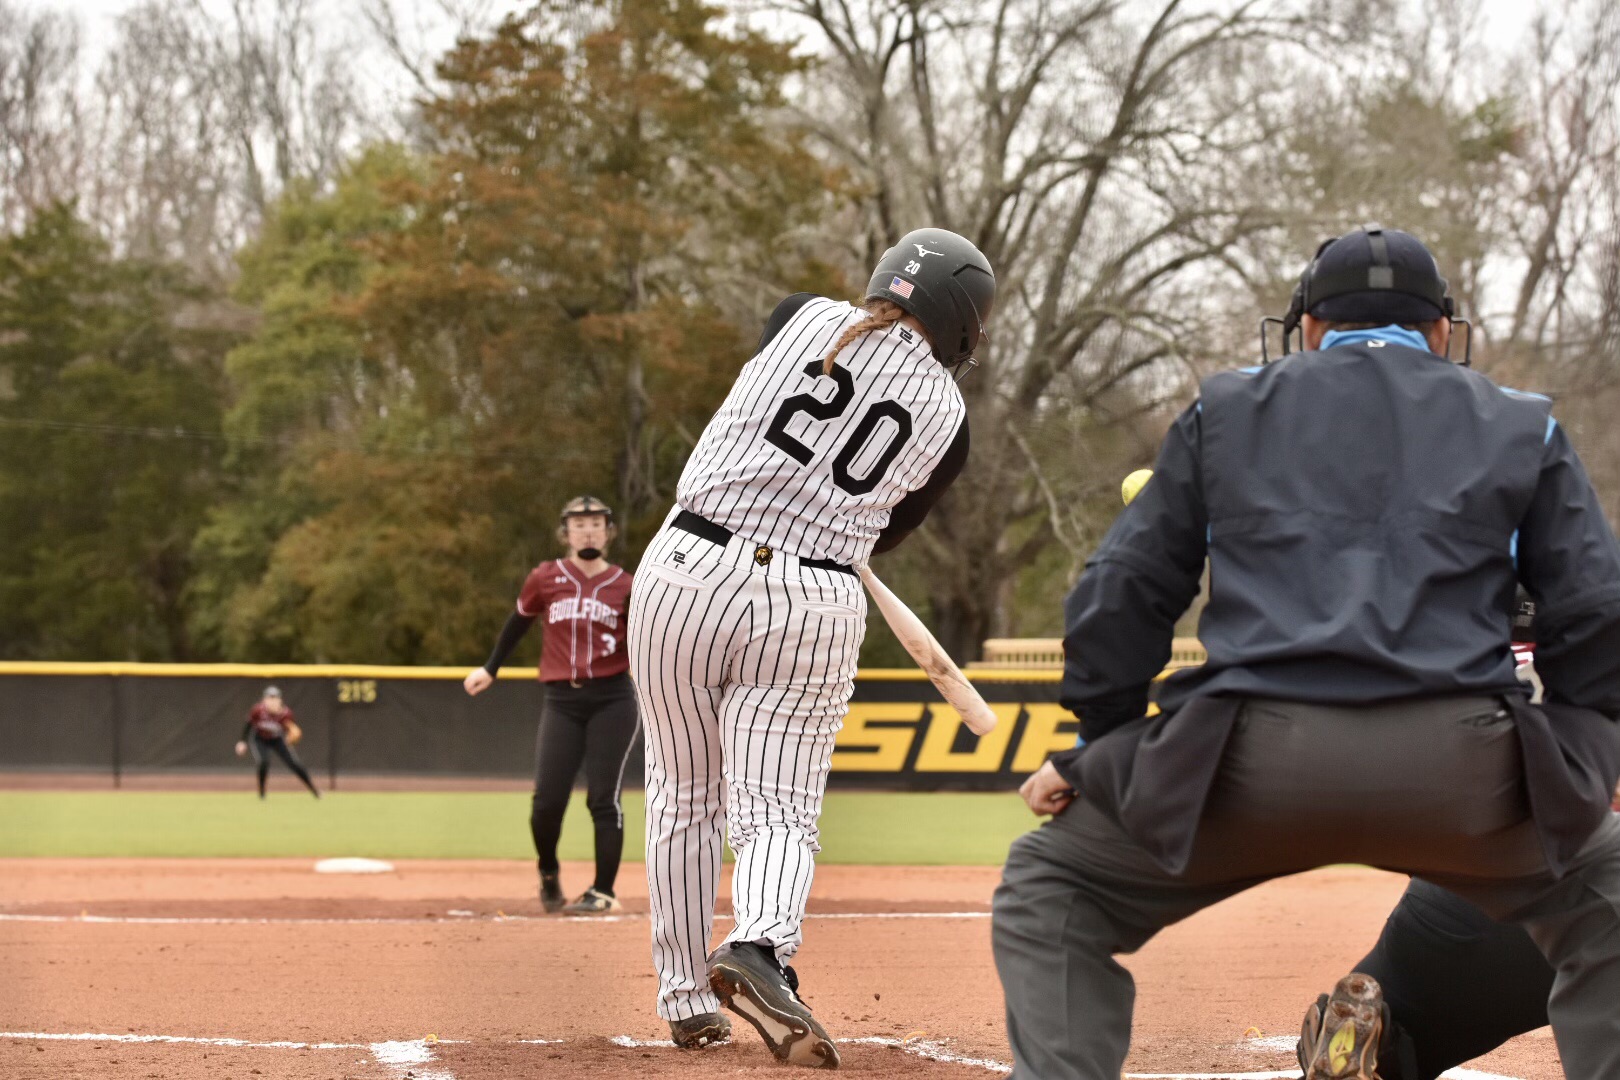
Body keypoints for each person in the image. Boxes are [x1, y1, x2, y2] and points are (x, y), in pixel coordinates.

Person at [991, 225, 1620, 1079]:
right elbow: (1596, 611)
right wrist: (1587, 754)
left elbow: (1116, 598)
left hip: (1249, 759)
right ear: (1441, 333)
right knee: (1609, 903)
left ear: (1311, 329)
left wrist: (1103, 747)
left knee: (1050, 884)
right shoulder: (1521, 425)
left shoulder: (1226, 409)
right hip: (1466, 769)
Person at [628, 228, 995, 1064]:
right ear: (966, 325)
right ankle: (759, 946)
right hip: (814, 598)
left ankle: (687, 998)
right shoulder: (950, 418)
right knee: (777, 806)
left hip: (686, 565)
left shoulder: (797, 317)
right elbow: (889, 534)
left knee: (684, 794)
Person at [464, 496, 638, 917]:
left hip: (612, 698)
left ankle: (603, 890)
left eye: (596, 523)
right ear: (566, 533)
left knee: (604, 798)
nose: (589, 531)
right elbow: (518, 622)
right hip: (562, 699)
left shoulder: (626, 583)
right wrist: (491, 668)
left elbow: (646, 638)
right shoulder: (546, 577)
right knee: (546, 801)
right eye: (580, 524)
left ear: (608, 531)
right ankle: (548, 871)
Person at [234, 685, 319, 799]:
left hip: (277, 739)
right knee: (264, 762)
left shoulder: (286, 714)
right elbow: (248, 725)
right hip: (260, 739)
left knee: (294, 763)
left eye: (275, 698)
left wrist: (291, 739)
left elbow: (291, 731)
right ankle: (262, 793)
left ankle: (314, 790)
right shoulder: (258, 710)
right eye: (270, 698)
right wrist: (242, 741)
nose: (272, 701)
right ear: (264, 700)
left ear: (280, 700)